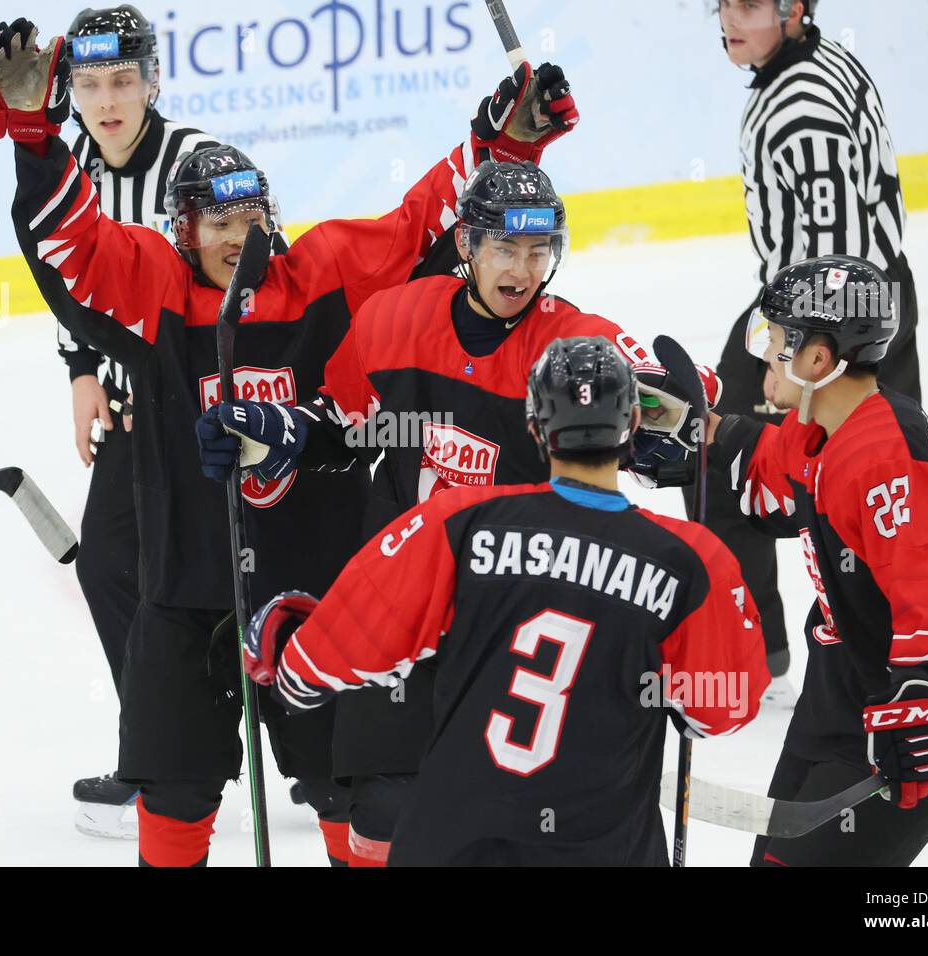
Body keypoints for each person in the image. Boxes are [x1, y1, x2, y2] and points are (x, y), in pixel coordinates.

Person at [0, 16, 579, 865]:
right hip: (187, 595)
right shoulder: (153, 284)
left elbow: (421, 231)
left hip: (319, 599)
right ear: (181, 230)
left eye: (248, 216)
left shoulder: (322, 270)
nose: (233, 236)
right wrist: (36, 137)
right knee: (176, 791)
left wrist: (505, 150)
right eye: (212, 222)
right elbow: (73, 250)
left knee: (347, 785)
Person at [198, 160, 720, 865]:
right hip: (403, 608)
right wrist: (281, 431)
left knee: (507, 821)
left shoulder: (571, 342)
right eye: (505, 248)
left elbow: (653, 402)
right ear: (467, 247)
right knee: (381, 814)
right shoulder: (395, 317)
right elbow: (345, 422)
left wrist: (675, 424)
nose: (524, 268)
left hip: (514, 619)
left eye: (539, 251)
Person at [240, 336, 767, 865]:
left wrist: (291, 643)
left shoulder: (456, 522)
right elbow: (724, 711)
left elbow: (312, 669)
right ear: (631, 428)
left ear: (535, 428)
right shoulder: (690, 557)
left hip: (456, 843)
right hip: (608, 846)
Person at [707, 254, 928, 866]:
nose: (766, 353)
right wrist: (691, 430)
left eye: (781, 339)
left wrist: (918, 706)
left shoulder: (882, 454)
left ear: (821, 359)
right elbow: (770, 473)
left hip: (920, 708)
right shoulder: (822, 423)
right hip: (843, 685)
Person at [709, 0, 921, 701]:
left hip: (837, 326)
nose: (727, 18)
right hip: (853, 309)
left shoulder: (803, 107)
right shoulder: (812, 66)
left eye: (747, 5)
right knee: (885, 481)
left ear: (793, 10)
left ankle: (762, 650)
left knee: (723, 455)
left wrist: (793, 357)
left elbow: (837, 264)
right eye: (723, 3)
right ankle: (891, 641)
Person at [54, 3, 224, 842]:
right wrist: (82, 371)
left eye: (123, 80)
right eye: (88, 83)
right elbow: (63, 276)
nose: (107, 100)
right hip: (130, 410)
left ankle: (297, 740)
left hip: (206, 412)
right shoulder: (73, 164)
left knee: (218, 578)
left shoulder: (196, 162)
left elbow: (255, 268)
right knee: (113, 566)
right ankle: (164, 743)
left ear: (154, 80)